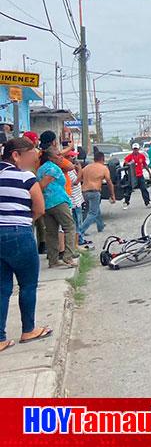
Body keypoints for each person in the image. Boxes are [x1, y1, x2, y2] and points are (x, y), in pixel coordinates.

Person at [0, 137, 53, 353]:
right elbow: (40, 209)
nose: (33, 159)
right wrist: (23, 222)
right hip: (19, 234)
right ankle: (28, 330)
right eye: (30, 155)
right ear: (16, 155)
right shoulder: (25, 177)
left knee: (2, 288)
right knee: (28, 284)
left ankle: (0, 338)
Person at [36, 149, 77, 268]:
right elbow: (42, 185)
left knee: (51, 232)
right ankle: (68, 256)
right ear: (50, 158)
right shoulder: (53, 169)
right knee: (69, 227)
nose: (61, 157)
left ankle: (53, 260)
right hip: (58, 201)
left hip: (46, 204)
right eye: (58, 155)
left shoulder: (41, 168)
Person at [78, 150, 115, 239]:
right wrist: (112, 194)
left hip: (84, 192)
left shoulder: (86, 167)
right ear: (103, 159)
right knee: (93, 213)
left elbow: (80, 178)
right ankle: (80, 231)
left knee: (92, 209)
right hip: (94, 191)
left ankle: (100, 225)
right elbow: (109, 182)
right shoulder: (103, 168)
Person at [122, 143, 151, 209]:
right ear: (132, 149)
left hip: (140, 175)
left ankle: (147, 202)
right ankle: (126, 203)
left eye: (136, 149)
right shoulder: (130, 156)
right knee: (129, 189)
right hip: (132, 176)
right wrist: (129, 163)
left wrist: (149, 173)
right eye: (134, 149)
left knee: (144, 188)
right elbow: (125, 162)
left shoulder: (142, 156)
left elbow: (145, 165)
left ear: (138, 149)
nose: (135, 150)